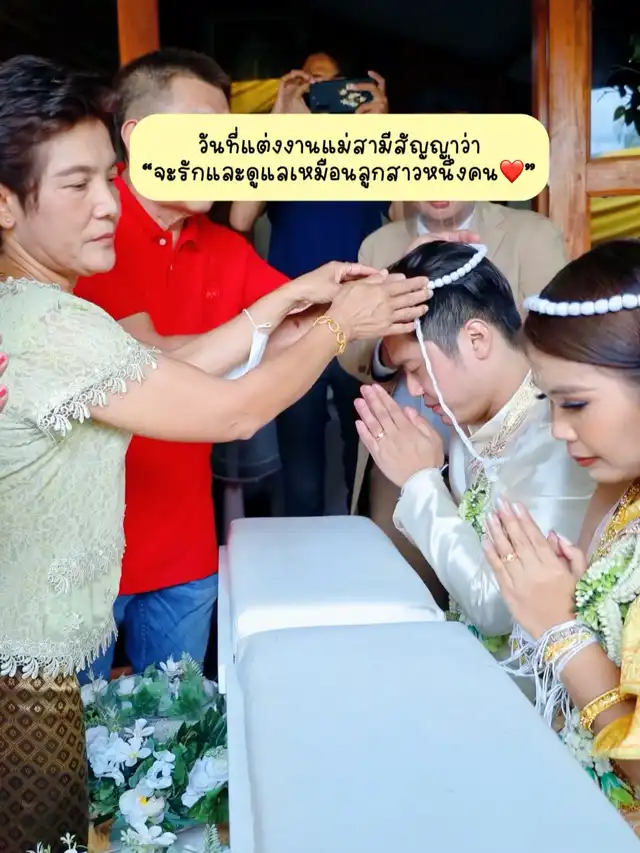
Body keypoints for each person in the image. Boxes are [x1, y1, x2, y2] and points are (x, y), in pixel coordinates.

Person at [0, 54, 428, 849]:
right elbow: (229, 406)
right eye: (79, 183)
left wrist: (299, 306)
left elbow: (171, 368)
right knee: (73, 810)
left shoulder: (43, 306)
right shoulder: (59, 317)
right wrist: (336, 323)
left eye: (106, 180)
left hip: (107, 602)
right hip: (35, 664)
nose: (105, 203)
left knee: (153, 773)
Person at [74, 48, 288, 680]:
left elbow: (306, 324)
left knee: (179, 728)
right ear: (138, 137)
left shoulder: (224, 246)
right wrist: (277, 325)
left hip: (185, 551)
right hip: (76, 563)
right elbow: (149, 363)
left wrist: (390, 310)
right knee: (69, 735)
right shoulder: (82, 232)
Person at [353, 241, 593, 635]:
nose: (412, 389)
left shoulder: (558, 438)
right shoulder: (467, 425)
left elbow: (500, 610)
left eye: (415, 367)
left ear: (476, 339)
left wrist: (421, 484)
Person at [481, 238, 640, 831]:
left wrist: (561, 630)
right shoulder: (616, 487)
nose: (558, 430)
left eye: (575, 404)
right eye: (549, 403)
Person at [341, 198, 569, 584]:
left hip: (498, 431)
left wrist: (422, 485)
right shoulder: (379, 245)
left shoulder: (552, 443)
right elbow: (353, 351)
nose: (438, 182)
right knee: (406, 580)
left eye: (417, 369)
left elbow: (558, 339)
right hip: (417, 445)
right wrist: (398, 343)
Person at [229, 50, 393, 518]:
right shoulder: (282, 152)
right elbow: (241, 216)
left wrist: (384, 133)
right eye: (309, 84)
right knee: (301, 471)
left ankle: (360, 547)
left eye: (331, 85)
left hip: (361, 322)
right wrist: (279, 120)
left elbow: (405, 215)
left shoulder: (367, 151)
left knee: (364, 461)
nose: (320, 94)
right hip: (295, 326)